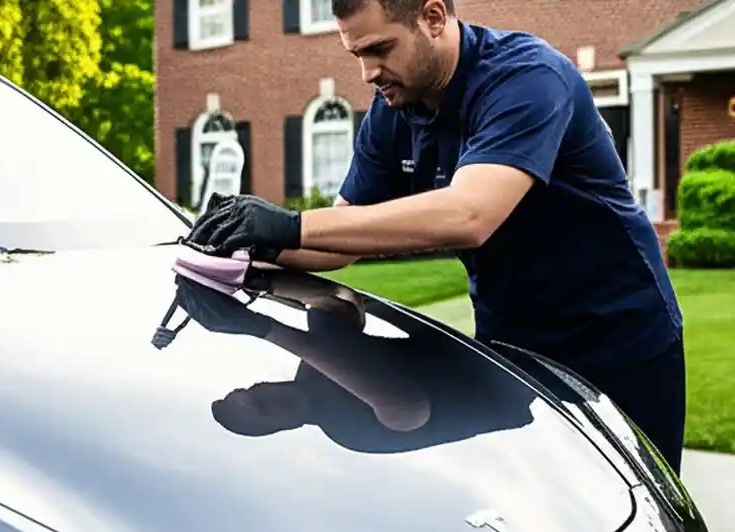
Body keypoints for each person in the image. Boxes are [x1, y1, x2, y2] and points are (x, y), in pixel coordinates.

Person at [181, 0, 687, 476]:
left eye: (380, 49)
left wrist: (288, 224)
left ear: (433, 17)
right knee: (551, 509)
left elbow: (471, 214)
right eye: (356, 54)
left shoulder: (526, 79)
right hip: (509, 342)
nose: (367, 72)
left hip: (621, 344)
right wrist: (244, 243)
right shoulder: (393, 112)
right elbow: (340, 239)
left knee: (640, 522)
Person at [171, 271, 536, 454]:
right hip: (530, 382)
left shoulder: (314, 368)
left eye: (256, 392)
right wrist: (260, 327)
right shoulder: (346, 431)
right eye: (266, 409)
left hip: (502, 334)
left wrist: (247, 280)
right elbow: (407, 406)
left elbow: (337, 302)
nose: (270, 395)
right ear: (283, 428)